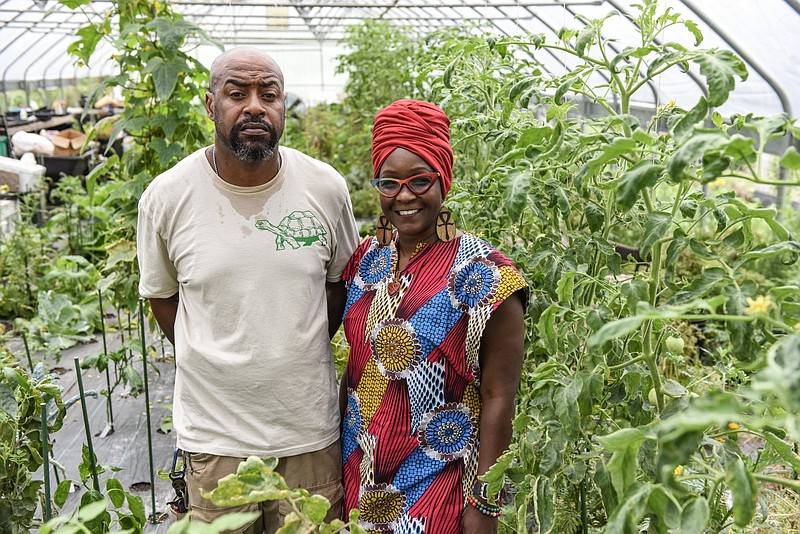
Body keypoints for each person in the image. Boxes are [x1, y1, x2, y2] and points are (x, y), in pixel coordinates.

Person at [136, 46, 360, 532]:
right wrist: (215, 354)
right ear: (210, 104)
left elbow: (339, 284)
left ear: (284, 106)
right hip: (216, 438)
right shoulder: (168, 197)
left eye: (269, 94)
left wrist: (292, 345)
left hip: (307, 434)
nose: (255, 106)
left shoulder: (325, 188)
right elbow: (162, 297)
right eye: (237, 94)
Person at [340, 100, 528, 534]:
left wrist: (484, 505)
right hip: (359, 478)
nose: (404, 196)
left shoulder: (484, 273)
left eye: (419, 180)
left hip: (438, 489)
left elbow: (500, 397)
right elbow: (355, 368)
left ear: (443, 178)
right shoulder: (366, 260)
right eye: (389, 183)